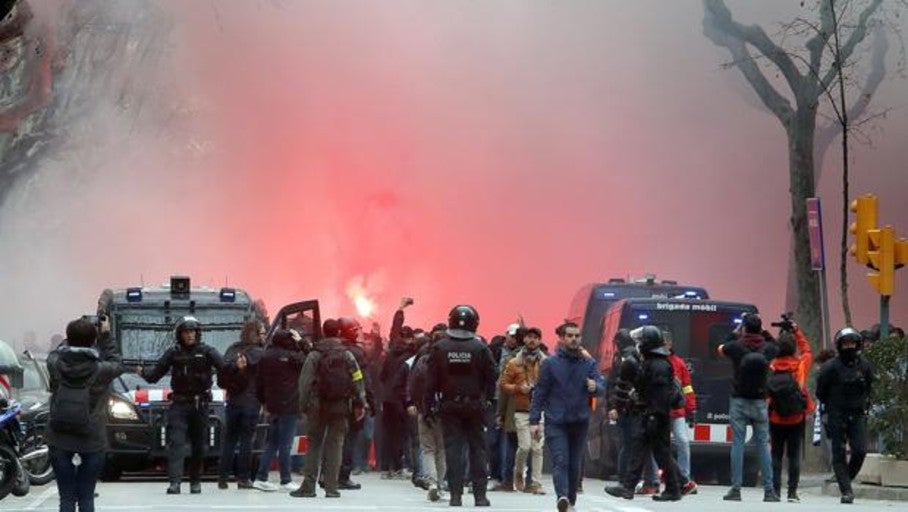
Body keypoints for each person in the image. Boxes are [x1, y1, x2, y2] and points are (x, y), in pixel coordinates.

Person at [46, 317, 125, 512]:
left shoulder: (55, 364)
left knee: (66, 498)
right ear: (93, 339)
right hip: (91, 437)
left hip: (59, 435)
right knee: (86, 497)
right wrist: (105, 336)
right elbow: (117, 362)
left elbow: (56, 352)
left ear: (68, 338)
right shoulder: (101, 370)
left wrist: (72, 338)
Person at [139, 316, 225, 494]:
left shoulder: (208, 351)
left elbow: (225, 368)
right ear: (180, 334)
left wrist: (239, 367)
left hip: (200, 404)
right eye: (186, 331)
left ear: (198, 333)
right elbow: (154, 376)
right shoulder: (173, 353)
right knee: (176, 443)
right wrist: (142, 372)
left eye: (192, 331)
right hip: (179, 404)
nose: (189, 335)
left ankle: (195, 482)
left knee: (198, 444)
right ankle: (175, 483)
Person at [425, 305, 497, 507]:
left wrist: (427, 407)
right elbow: (493, 375)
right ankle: (480, 497)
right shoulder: (481, 347)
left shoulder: (440, 347)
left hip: (450, 406)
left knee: (453, 452)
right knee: (478, 451)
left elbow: (430, 381)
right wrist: (488, 398)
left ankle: (456, 496)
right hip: (475, 406)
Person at [605, 326, 687, 502]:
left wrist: (652, 415)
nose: (638, 345)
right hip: (653, 414)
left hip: (655, 415)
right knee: (646, 452)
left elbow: (659, 395)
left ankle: (669, 489)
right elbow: (645, 388)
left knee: (657, 453)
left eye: (641, 342)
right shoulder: (654, 362)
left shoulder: (657, 365)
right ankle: (631, 488)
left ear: (647, 343)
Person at [530, 322, 604, 512]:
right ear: (562, 338)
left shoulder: (589, 363)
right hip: (556, 421)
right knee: (561, 460)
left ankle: (569, 500)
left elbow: (602, 386)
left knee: (574, 464)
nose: (573, 339)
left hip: (579, 421)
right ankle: (561, 496)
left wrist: (596, 387)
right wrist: (534, 420)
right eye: (569, 335)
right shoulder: (550, 364)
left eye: (577, 336)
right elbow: (540, 393)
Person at [291, 319, 367, 498]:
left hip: (317, 406)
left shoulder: (315, 354)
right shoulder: (347, 354)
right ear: (339, 333)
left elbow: (305, 382)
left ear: (324, 332)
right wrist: (360, 403)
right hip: (340, 405)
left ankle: (308, 487)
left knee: (314, 445)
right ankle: (332, 488)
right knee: (335, 445)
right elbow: (358, 378)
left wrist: (303, 406)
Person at [718, 313, 779, 502]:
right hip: (760, 401)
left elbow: (720, 348)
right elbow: (777, 346)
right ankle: (769, 491)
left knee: (738, 443)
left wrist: (735, 333)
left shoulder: (736, 347)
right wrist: (766, 334)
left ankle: (736, 489)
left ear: (744, 328)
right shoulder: (768, 348)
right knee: (763, 444)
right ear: (760, 328)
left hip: (739, 400)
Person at [816, 328, 874, 504]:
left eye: (852, 343)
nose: (849, 347)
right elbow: (821, 392)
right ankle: (846, 490)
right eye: (845, 343)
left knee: (860, 450)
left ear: (858, 344)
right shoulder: (830, 367)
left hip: (857, 414)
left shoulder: (864, 365)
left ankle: (846, 477)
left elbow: (870, 386)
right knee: (838, 453)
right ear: (839, 345)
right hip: (836, 414)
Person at [252, 329, 307, 491]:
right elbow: (310, 359)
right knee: (286, 444)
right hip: (289, 404)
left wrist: (264, 402)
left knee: (272, 442)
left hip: (273, 406)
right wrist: (301, 342)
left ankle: (261, 477)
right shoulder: (291, 357)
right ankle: (285, 479)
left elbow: (259, 383)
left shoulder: (265, 356)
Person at [217, 319, 266, 490]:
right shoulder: (260, 353)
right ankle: (243, 478)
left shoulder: (232, 349)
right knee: (247, 441)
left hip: (232, 402)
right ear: (255, 334)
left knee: (229, 440)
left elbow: (223, 369)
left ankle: (222, 478)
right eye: (262, 332)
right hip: (251, 403)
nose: (264, 336)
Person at [500, 326, 546, 494]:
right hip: (521, 410)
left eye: (535, 337)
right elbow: (503, 384)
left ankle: (536, 483)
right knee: (525, 446)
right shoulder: (514, 362)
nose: (532, 340)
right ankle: (518, 473)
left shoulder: (546, 362)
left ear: (539, 340)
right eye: (529, 337)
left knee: (538, 448)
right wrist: (519, 388)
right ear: (524, 339)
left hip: (540, 411)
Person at [334, 316, 376, 489]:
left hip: (330, 403)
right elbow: (364, 381)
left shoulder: (330, 349)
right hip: (352, 405)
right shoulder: (357, 353)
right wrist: (369, 402)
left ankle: (326, 475)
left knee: (332, 440)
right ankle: (343, 477)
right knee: (349, 440)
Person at [406, 328, 447, 502]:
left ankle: (431, 483)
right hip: (445, 411)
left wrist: (415, 404)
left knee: (428, 449)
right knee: (442, 450)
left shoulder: (423, 360)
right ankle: (440, 484)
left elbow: (413, 384)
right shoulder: (449, 361)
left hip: (425, 410)